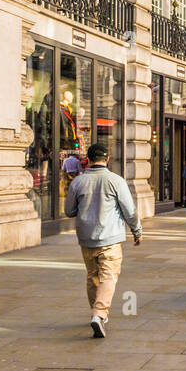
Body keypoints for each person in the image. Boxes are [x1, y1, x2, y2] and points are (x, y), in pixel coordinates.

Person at [65, 143, 141, 339]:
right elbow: (129, 211)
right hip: (110, 238)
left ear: (88, 160)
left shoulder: (78, 182)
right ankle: (99, 314)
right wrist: (137, 231)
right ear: (107, 160)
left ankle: (97, 314)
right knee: (108, 275)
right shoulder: (116, 181)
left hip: (86, 237)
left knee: (92, 275)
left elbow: (69, 211)